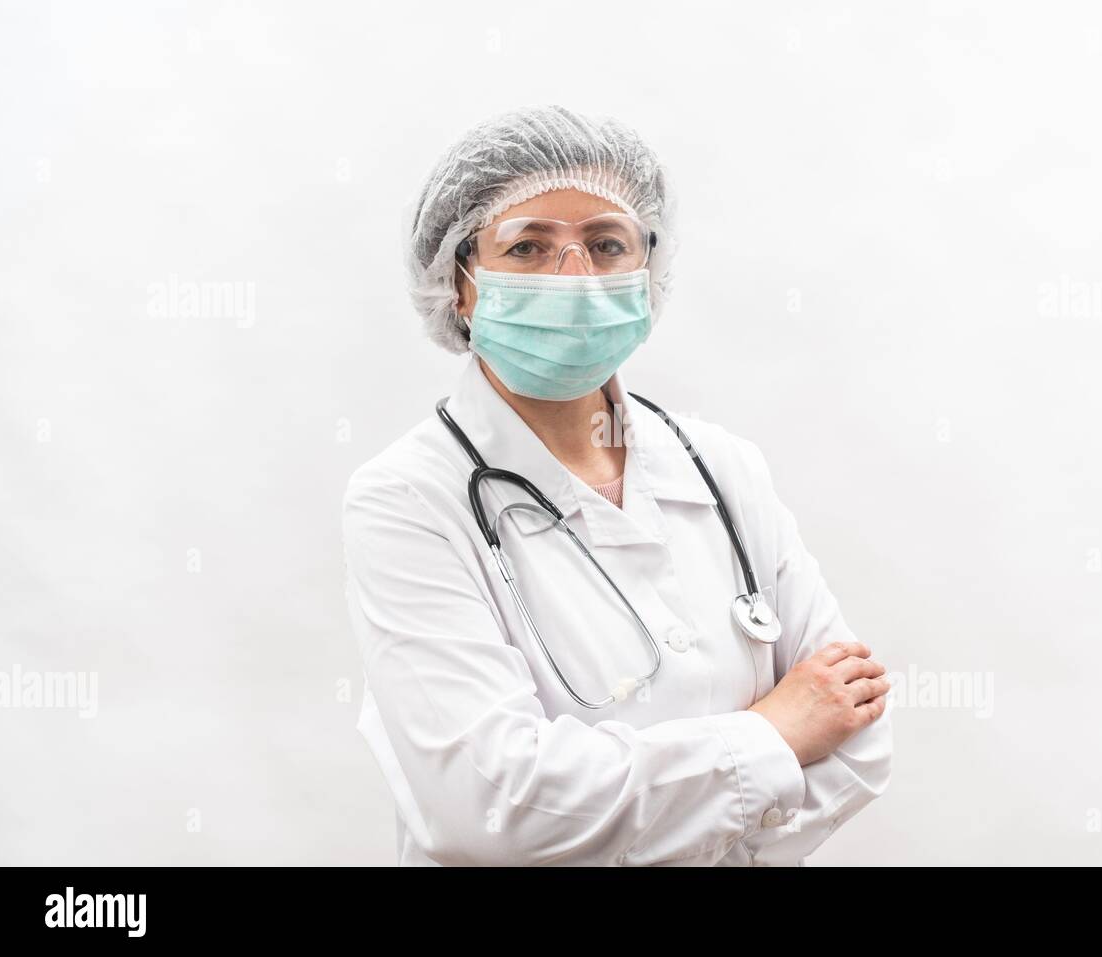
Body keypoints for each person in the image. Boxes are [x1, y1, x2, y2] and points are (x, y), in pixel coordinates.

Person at [343, 105, 893, 866]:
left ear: (647, 271)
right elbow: (493, 808)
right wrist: (773, 734)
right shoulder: (408, 498)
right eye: (530, 247)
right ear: (461, 284)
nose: (575, 278)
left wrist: (643, 812)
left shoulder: (722, 466)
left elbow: (860, 734)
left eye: (605, 244)